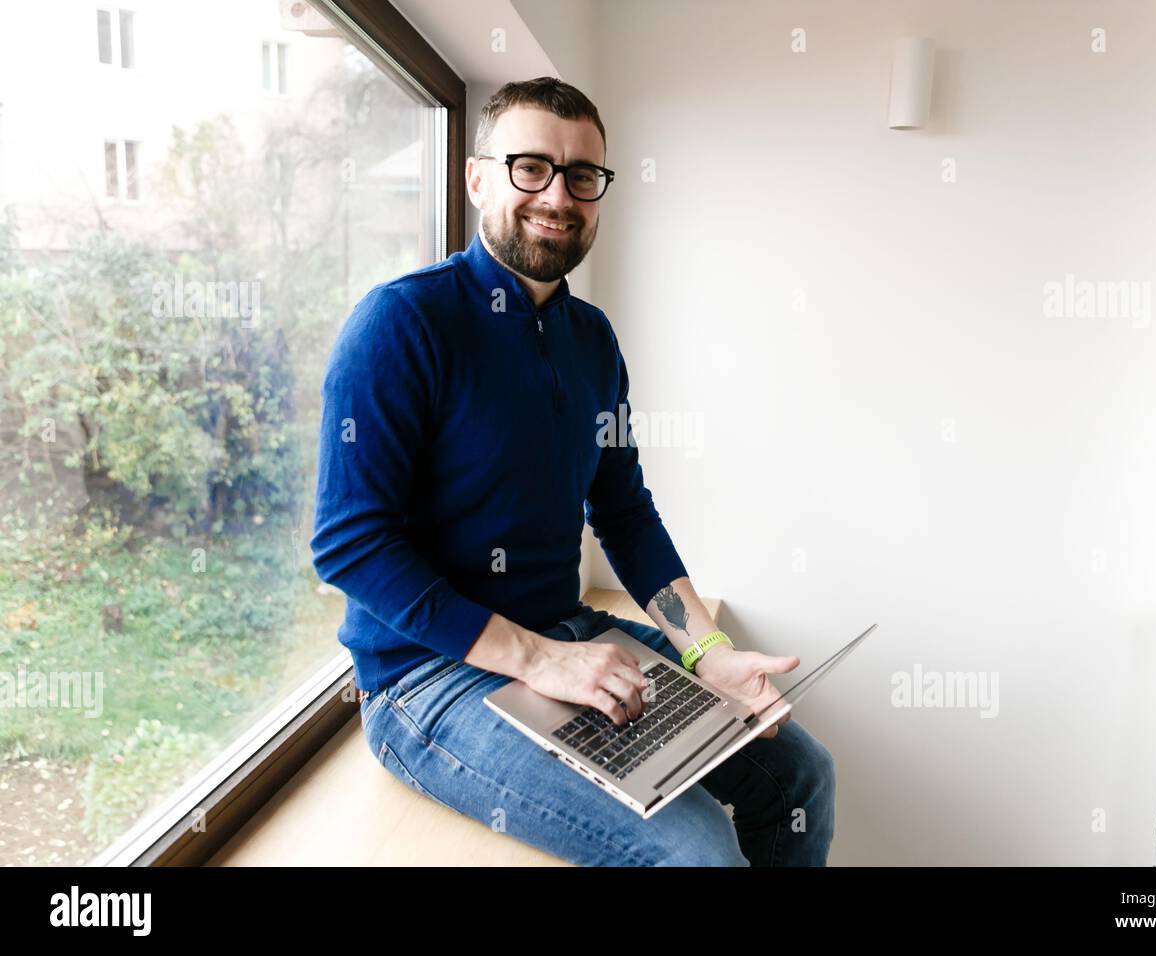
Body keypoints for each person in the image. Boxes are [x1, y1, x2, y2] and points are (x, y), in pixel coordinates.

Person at [310, 76, 835, 866]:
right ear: (477, 177)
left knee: (801, 773)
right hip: (431, 680)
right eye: (531, 167)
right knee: (697, 853)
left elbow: (623, 510)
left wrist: (708, 651)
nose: (557, 194)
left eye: (582, 176)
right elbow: (349, 548)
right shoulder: (401, 323)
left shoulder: (592, 338)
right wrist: (540, 658)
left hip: (569, 634)